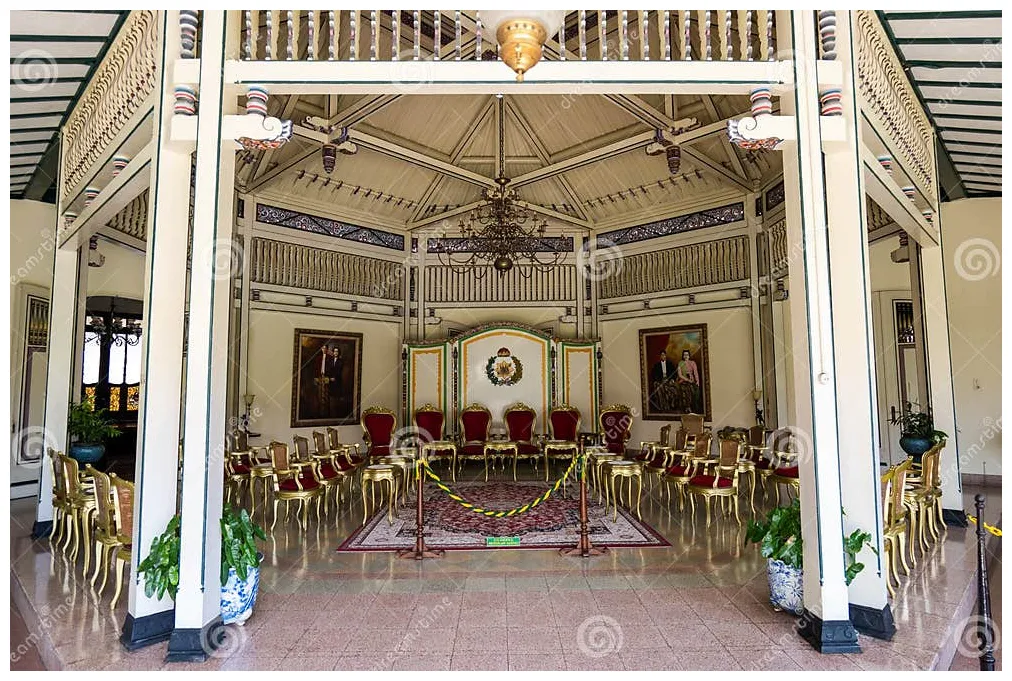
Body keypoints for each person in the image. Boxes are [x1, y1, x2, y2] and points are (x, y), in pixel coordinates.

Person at [676, 349, 703, 414]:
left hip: (691, 380)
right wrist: (687, 380)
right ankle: (687, 407)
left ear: (689, 356)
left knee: (695, 390)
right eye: (684, 355)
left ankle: (694, 407)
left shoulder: (692, 363)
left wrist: (697, 382)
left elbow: (695, 373)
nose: (686, 356)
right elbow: (680, 375)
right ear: (683, 356)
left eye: (687, 355)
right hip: (682, 380)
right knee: (686, 388)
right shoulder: (680, 363)